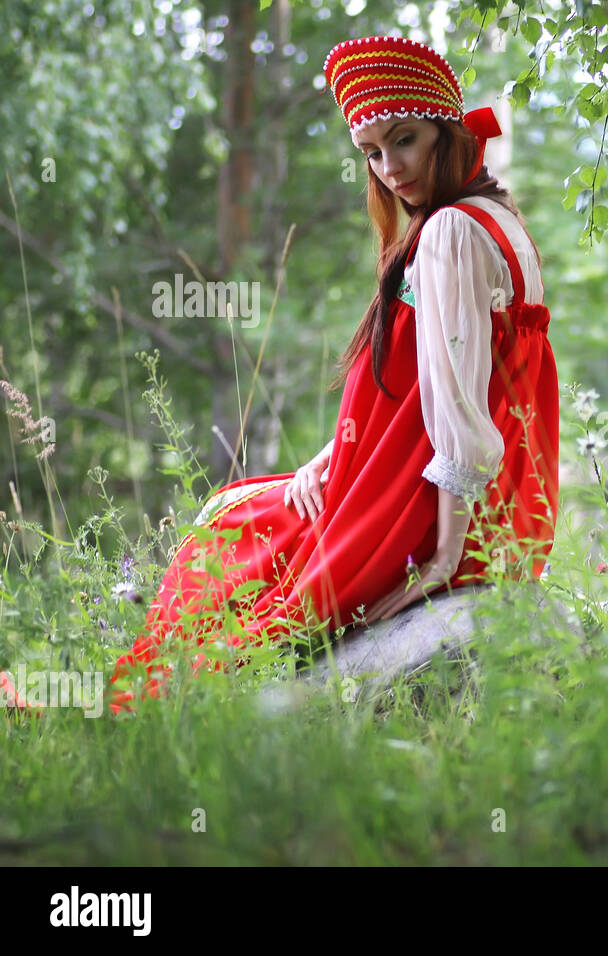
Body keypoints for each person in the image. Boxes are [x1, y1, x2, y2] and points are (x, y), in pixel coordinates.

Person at [2, 35, 559, 716]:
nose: (390, 169)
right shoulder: (498, 220)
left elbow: (462, 411)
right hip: (474, 496)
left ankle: (123, 703)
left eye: (405, 140)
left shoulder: (447, 233)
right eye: (373, 153)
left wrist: (444, 557)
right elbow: (431, 388)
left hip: (431, 507)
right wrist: (336, 455)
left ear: (447, 128)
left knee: (236, 546)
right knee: (246, 507)